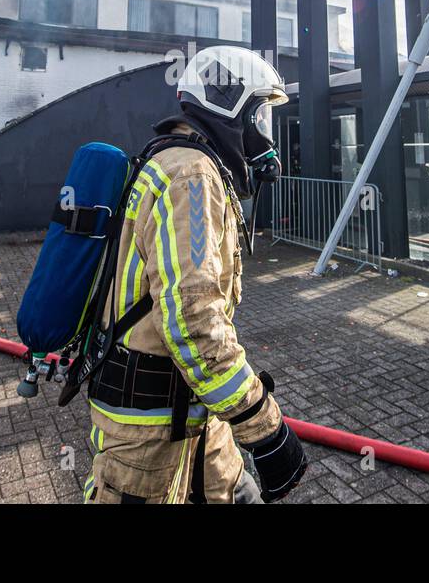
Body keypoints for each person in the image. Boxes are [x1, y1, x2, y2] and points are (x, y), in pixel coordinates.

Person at [83, 46, 309, 504]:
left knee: (240, 495)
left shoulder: (170, 160)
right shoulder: (192, 175)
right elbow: (194, 319)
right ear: (230, 108)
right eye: (257, 116)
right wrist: (264, 428)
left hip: (192, 414)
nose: (260, 134)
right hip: (148, 433)